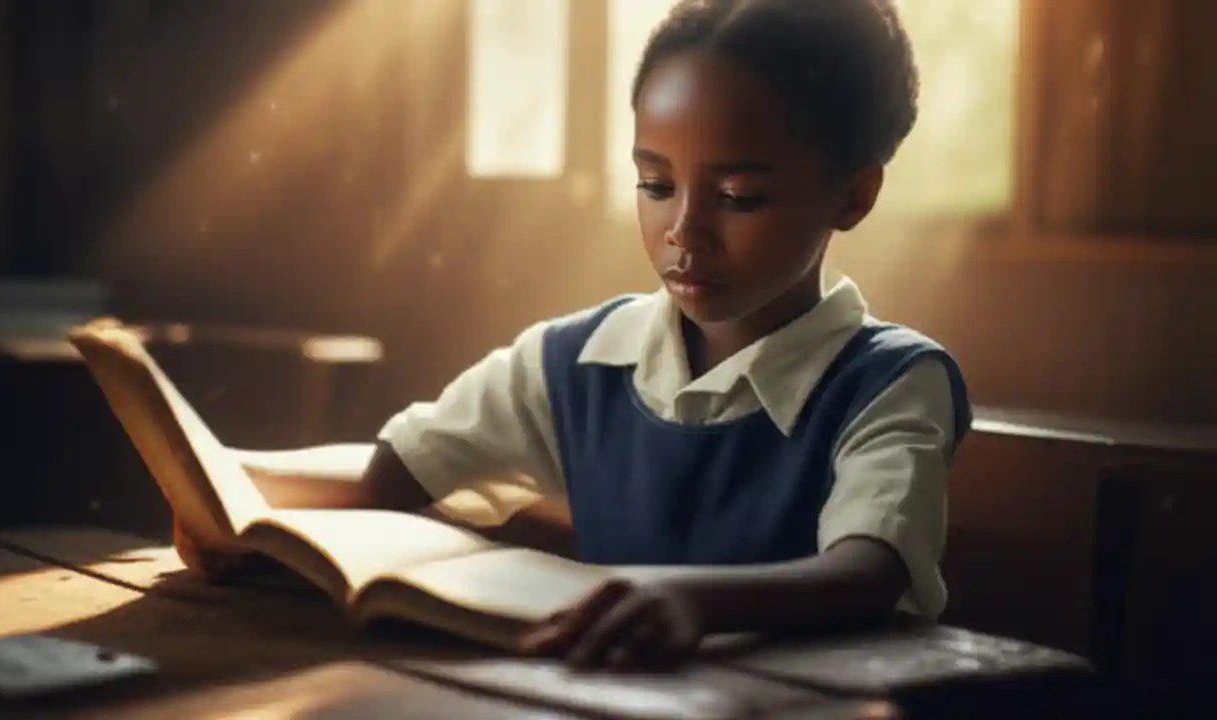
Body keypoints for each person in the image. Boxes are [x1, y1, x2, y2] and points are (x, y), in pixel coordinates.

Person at [176, 0, 971, 671]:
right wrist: (231, 489)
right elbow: (398, 469)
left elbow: (866, 569)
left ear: (854, 195)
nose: (682, 232)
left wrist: (688, 600)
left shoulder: (892, 381)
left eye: (738, 195)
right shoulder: (580, 359)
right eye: (655, 185)